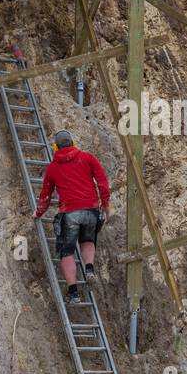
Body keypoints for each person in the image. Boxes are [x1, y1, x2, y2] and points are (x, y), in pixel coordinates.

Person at [33, 130, 110, 304]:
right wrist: (105, 205)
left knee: (66, 252)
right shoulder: (87, 157)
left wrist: (38, 213)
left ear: (55, 147)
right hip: (91, 211)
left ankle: (74, 293)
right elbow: (103, 182)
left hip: (69, 214)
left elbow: (46, 195)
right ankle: (89, 269)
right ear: (73, 143)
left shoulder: (53, 168)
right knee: (88, 241)